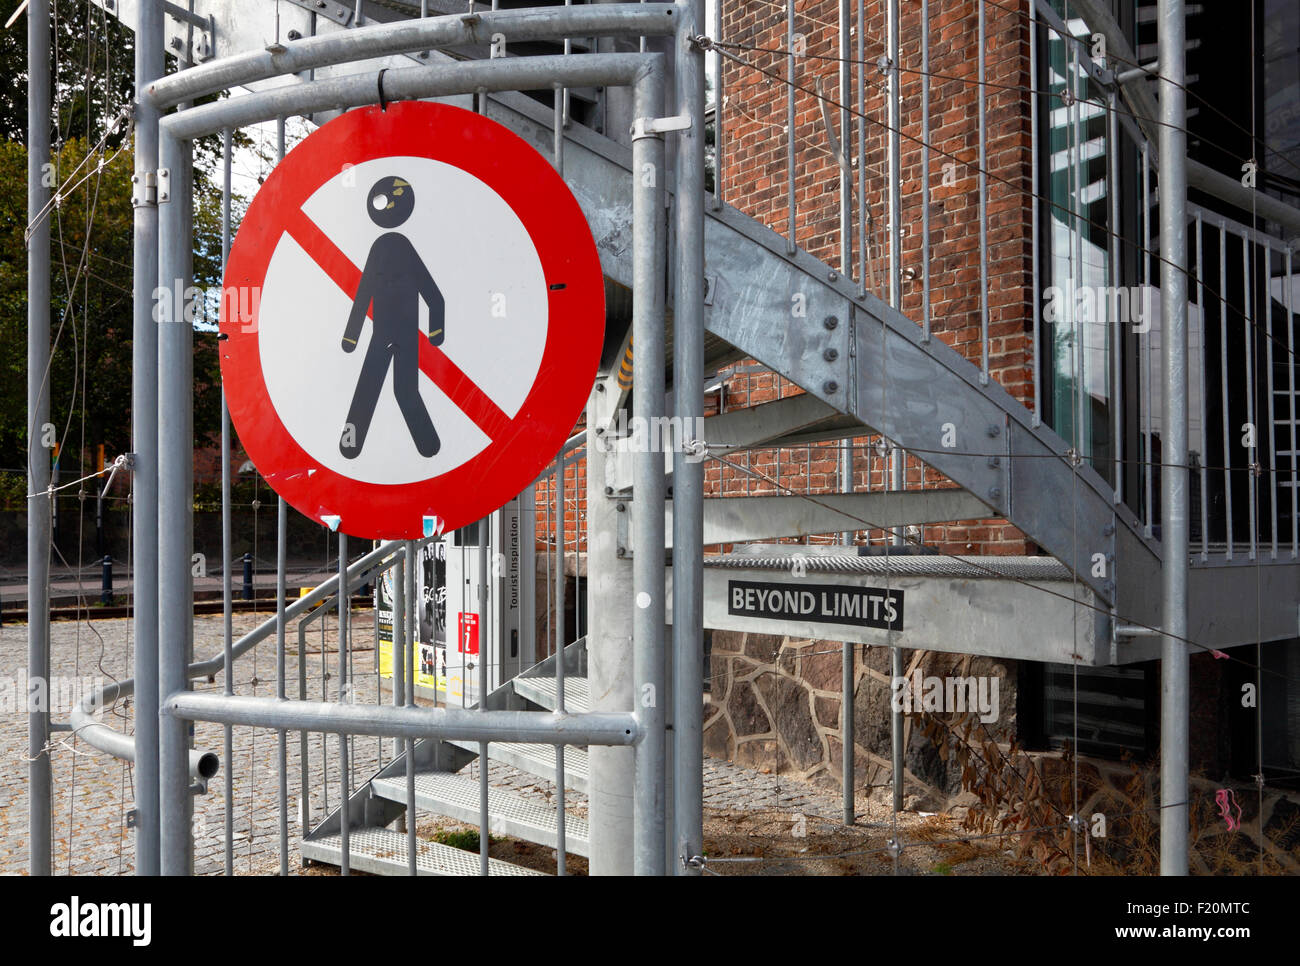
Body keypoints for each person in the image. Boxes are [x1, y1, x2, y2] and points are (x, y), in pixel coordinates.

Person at [339, 175, 443, 459]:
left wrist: (437, 329)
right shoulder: (381, 249)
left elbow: (432, 292)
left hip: (405, 334)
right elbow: (363, 295)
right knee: (372, 385)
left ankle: (430, 447)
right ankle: (350, 446)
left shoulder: (401, 248)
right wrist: (351, 336)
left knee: (403, 390)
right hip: (384, 334)